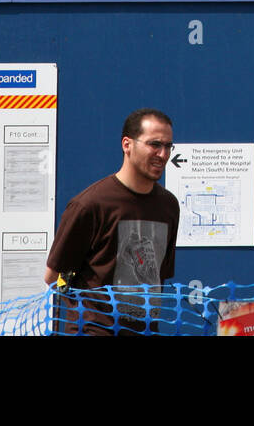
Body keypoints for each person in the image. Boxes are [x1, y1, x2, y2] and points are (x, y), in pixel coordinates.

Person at [44, 108, 180, 334]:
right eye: (154, 144)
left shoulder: (168, 206)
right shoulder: (90, 204)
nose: (163, 154)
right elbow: (53, 277)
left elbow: (159, 275)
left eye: (168, 146)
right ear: (127, 144)